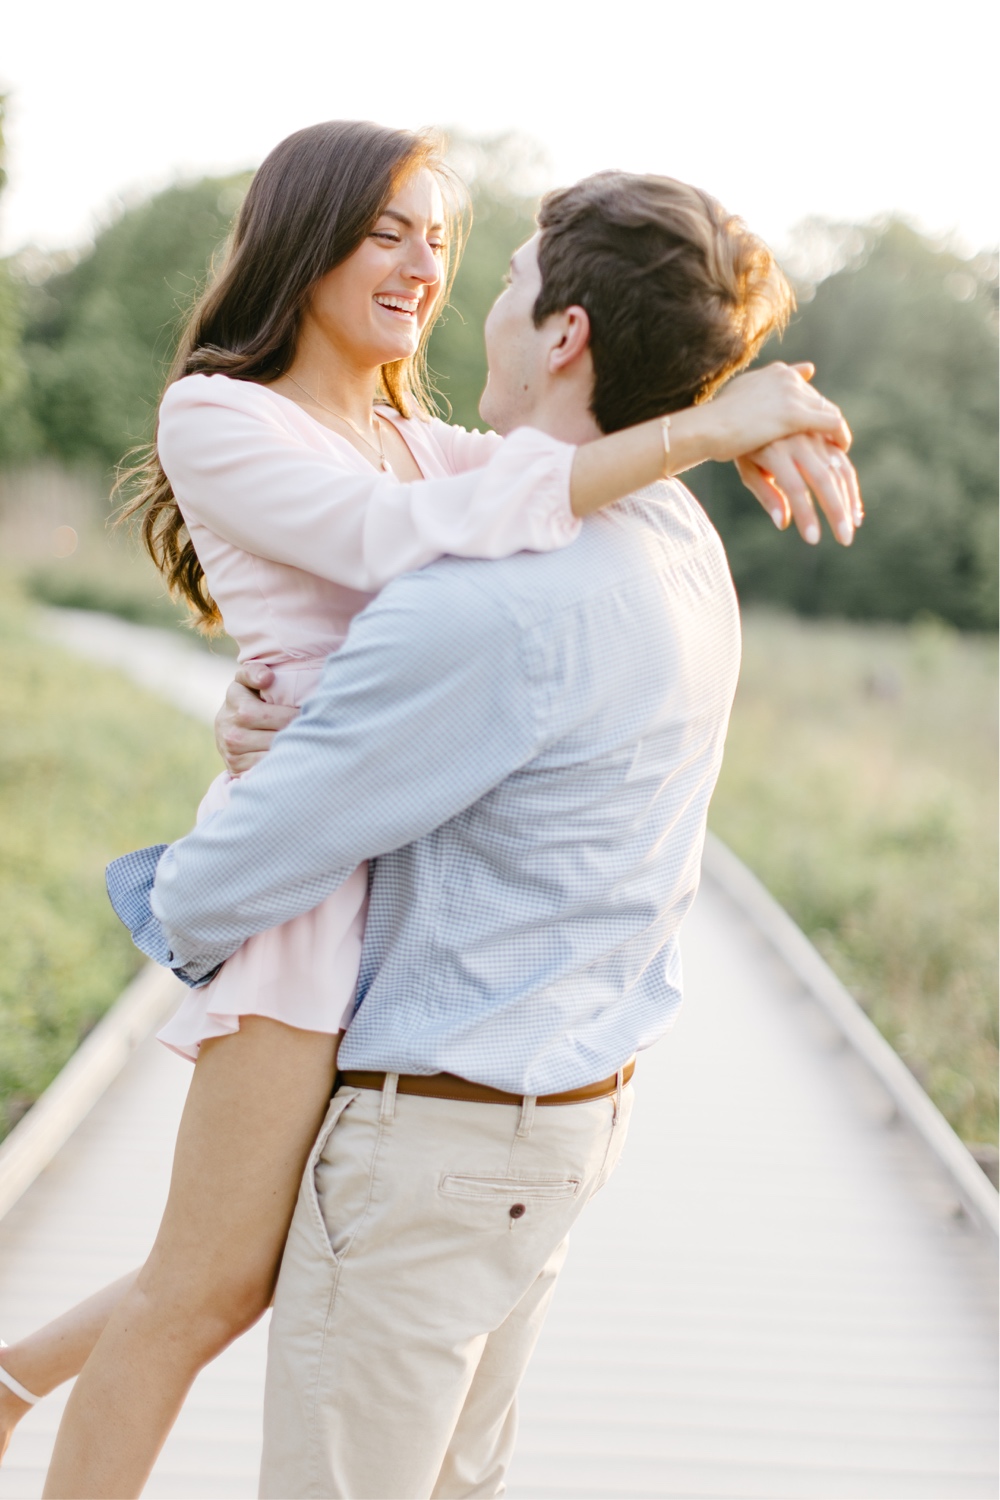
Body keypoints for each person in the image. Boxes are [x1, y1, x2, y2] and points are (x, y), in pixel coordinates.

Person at [0, 123, 858, 1496]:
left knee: (245, 1270)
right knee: (204, 1288)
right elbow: (392, 543)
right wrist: (707, 428)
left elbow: (553, 471)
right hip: (308, 891)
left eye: (444, 241)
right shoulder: (219, 413)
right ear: (304, 239)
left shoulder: (419, 438)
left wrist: (730, 412)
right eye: (386, 232)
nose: (424, 266)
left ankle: (9, 1380)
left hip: (386, 876)